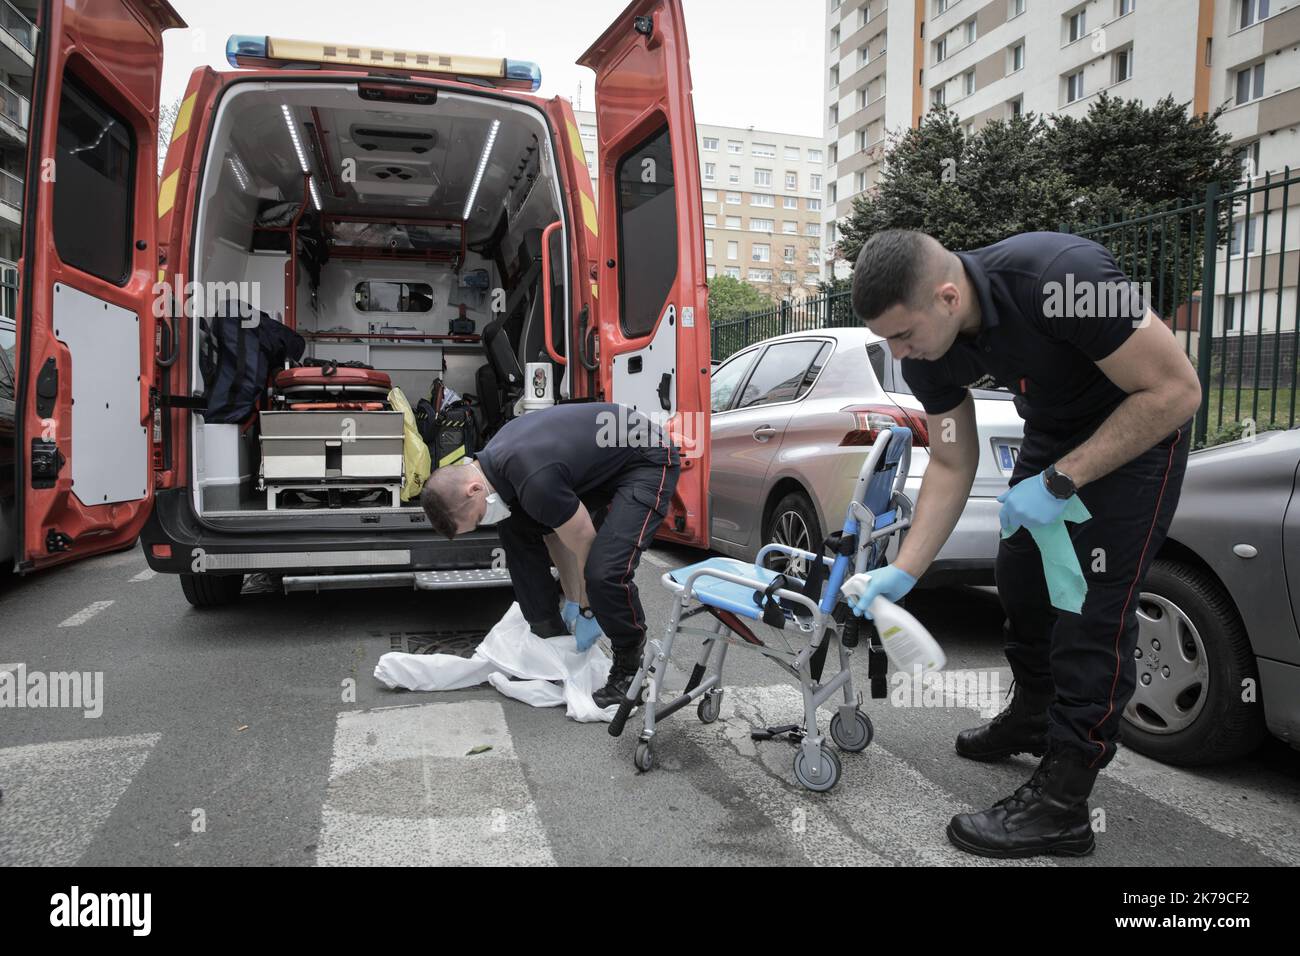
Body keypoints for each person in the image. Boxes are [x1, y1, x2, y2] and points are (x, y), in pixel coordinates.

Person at [846, 229, 1200, 857]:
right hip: (1051, 437)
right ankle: (1034, 715)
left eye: (902, 335)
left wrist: (1063, 480)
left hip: (1137, 437)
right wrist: (903, 570)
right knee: (1022, 580)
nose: (899, 354)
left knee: (1089, 612)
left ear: (948, 298)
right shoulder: (930, 353)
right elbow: (953, 464)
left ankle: (1062, 805)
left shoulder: (1063, 280)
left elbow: (1176, 391)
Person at [419, 402, 680, 708]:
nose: (482, 522)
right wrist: (571, 598)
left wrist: (586, 608)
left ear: (474, 489)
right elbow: (554, 531)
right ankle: (548, 634)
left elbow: (582, 539)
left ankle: (628, 666)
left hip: (646, 457)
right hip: (604, 457)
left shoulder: (532, 478)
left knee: (605, 572)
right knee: (515, 527)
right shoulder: (498, 467)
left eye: (477, 518)